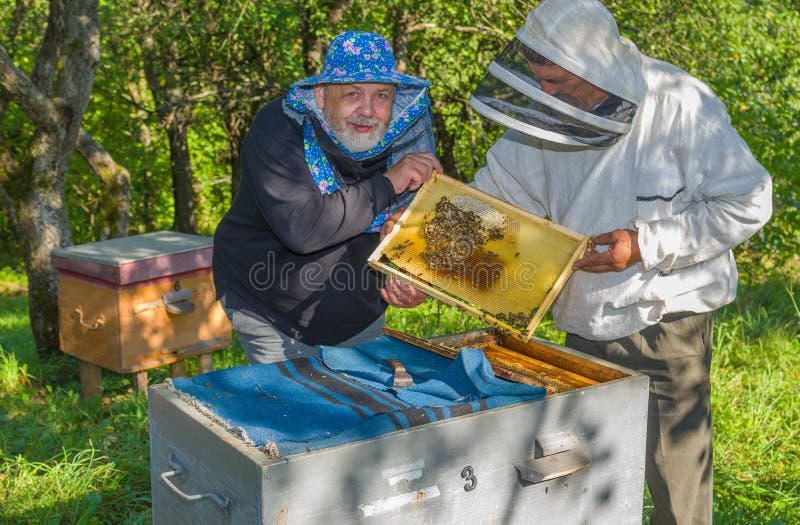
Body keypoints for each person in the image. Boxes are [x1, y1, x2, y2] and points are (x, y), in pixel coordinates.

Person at [467, 1, 773, 523]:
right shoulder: (542, 110)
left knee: (677, 488)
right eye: (539, 80)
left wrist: (645, 244)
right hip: (584, 323)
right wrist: (429, 238)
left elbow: (748, 201)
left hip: (667, 322)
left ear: (596, 67)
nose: (545, 93)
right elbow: (493, 199)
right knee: (589, 489)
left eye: (558, 82)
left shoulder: (681, 104)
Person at [213, 31, 438, 365]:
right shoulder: (278, 128)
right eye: (352, 93)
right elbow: (303, 228)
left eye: (381, 95)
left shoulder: (404, 139)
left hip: (361, 311)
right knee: (293, 398)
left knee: (360, 397)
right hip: (271, 310)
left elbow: (415, 225)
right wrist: (388, 183)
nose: (368, 110)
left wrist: (415, 280)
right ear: (321, 94)